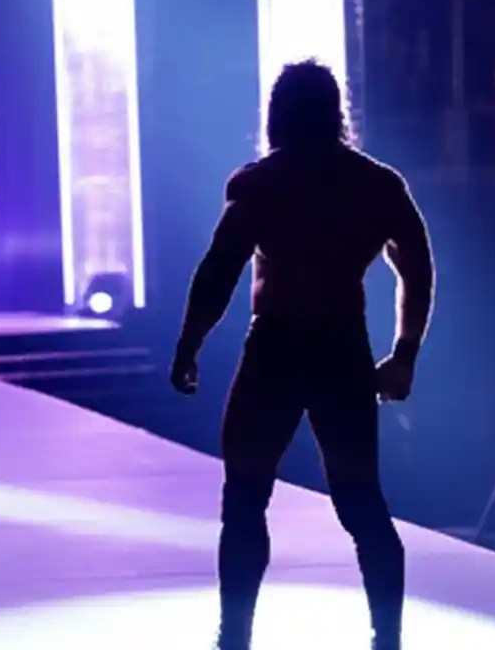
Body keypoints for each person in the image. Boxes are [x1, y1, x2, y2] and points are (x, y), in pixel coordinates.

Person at [169, 60, 435, 650]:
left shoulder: (260, 184)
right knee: (361, 501)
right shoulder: (375, 185)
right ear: (337, 112)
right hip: (340, 346)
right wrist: (405, 352)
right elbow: (417, 267)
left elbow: (219, 269)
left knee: (245, 496)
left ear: (277, 114)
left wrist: (191, 342)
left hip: (279, 345)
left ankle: (234, 636)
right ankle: (385, 639)